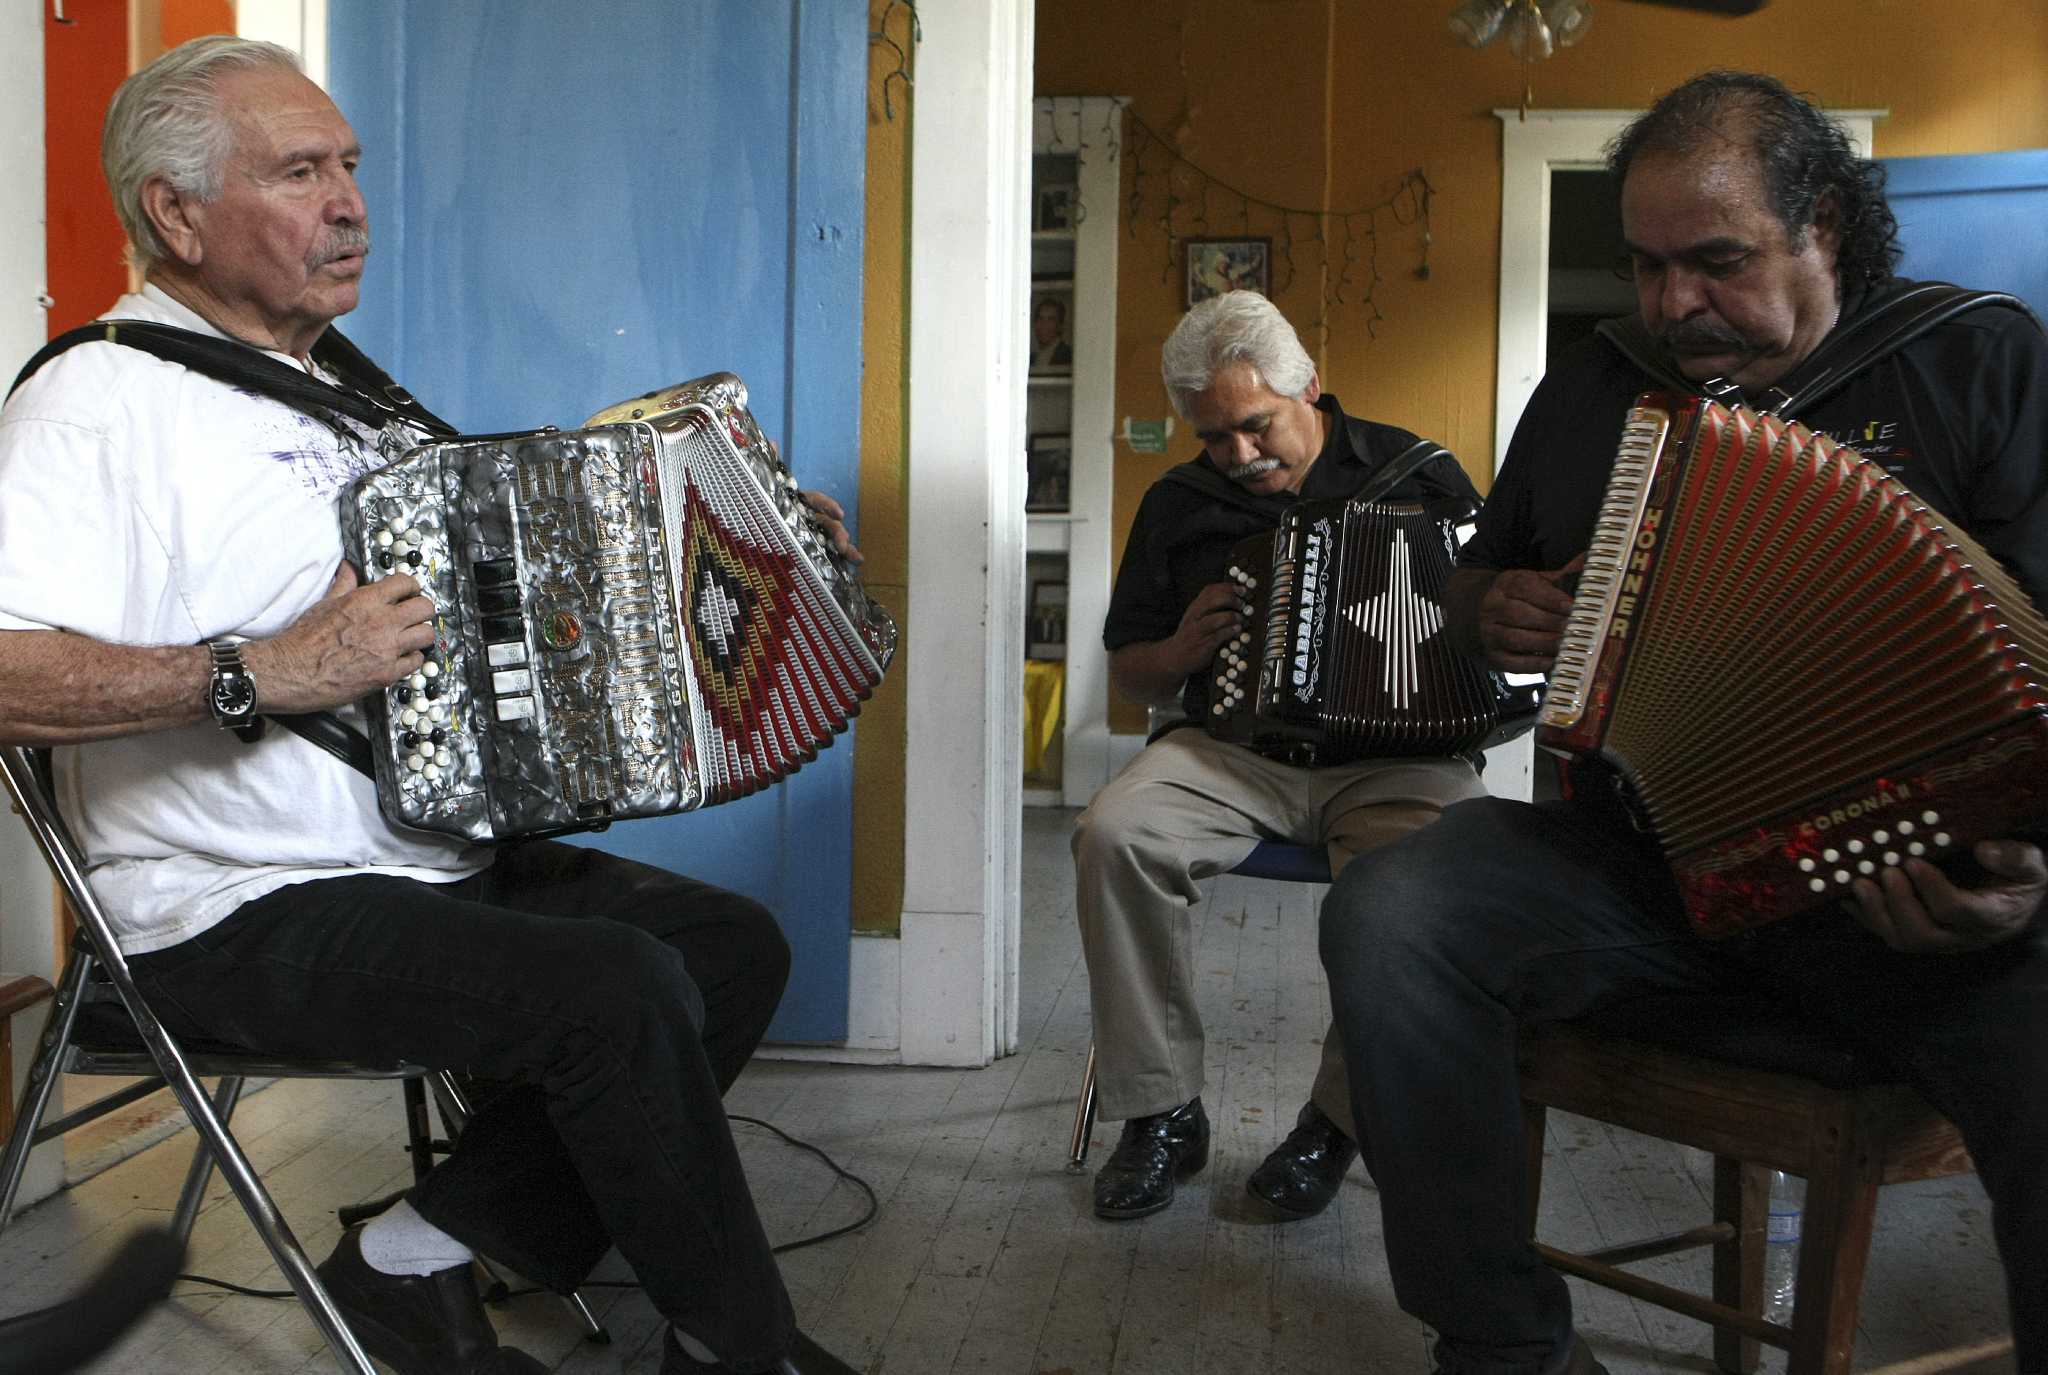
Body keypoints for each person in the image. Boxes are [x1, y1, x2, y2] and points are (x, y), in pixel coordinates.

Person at [0, 36, 860, 1375]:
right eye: (300, 171)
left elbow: (501, 580)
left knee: (729, 944)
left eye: (348, 165)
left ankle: (411, 1257)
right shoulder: (95, 400)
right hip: (227, 901)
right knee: (615, 988)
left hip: (422, 856)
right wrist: (258, 668)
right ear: (175, 212)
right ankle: (740, 1348)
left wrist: (745, 542)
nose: (350, 201)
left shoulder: (343, 382)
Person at [1320, 71, 2048, 1375]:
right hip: (1636, 866)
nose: (1670, 305)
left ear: (1823, 221)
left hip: (1892, 892)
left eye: (1714, 262)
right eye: (1648, 267)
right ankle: (1505, 1348)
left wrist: (2014, 866)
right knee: (1394, 909)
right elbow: (1473, 579)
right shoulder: (1603, 385)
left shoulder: (1979, 358)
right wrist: (1495, 607)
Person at [1073, 290, 1490, 1222]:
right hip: (1233, 753)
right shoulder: (1181, 501)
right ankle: (1160, 1114)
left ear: (1307, 385)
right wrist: (1180, 652)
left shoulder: (1417, 475)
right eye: (1215, 438)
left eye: (1254, 428)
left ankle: (1333, 1125)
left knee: (1417, 891)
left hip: (1396, 758)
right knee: (1115, 831)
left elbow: (1489, 627)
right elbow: (1133, 672)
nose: (1239, 457)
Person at [1030, 295, 1073, 372]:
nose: (1044, 324)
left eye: (1050, 320)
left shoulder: (1068, 356)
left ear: (1060, 325)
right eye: (1040, 319)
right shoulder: (1031, 359)